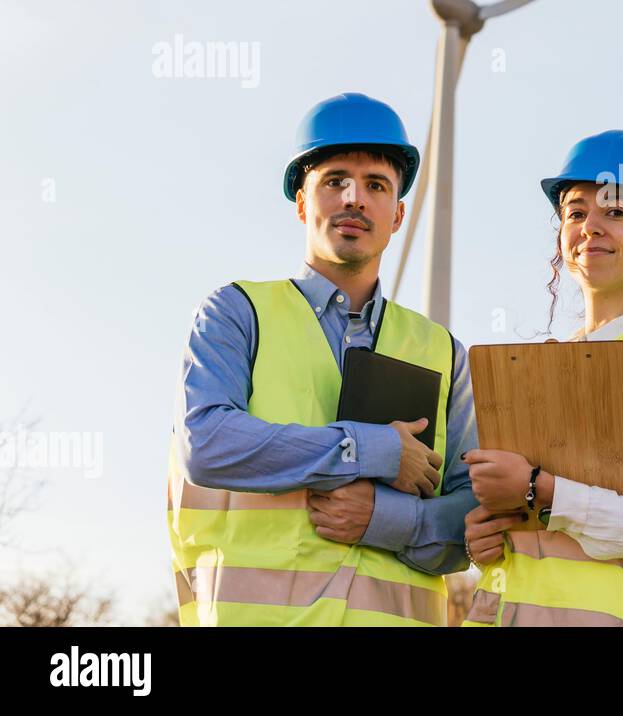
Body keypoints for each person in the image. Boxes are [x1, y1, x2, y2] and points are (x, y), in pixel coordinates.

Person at [167, 92, 477, 626]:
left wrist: (385, 519)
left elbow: (475, 518)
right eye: (335, 180)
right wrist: (374, 450)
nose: (354, 198)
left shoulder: (445, 353)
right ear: (303, 203)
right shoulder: (236, 313)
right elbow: (210, 445)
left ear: (400, 213)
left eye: (376, 186)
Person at [461, 130, 623, 626]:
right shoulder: (552, 366)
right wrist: (489, 536)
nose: (590, 227)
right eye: (576, 213)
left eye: (616, 213)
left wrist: (539, 490)